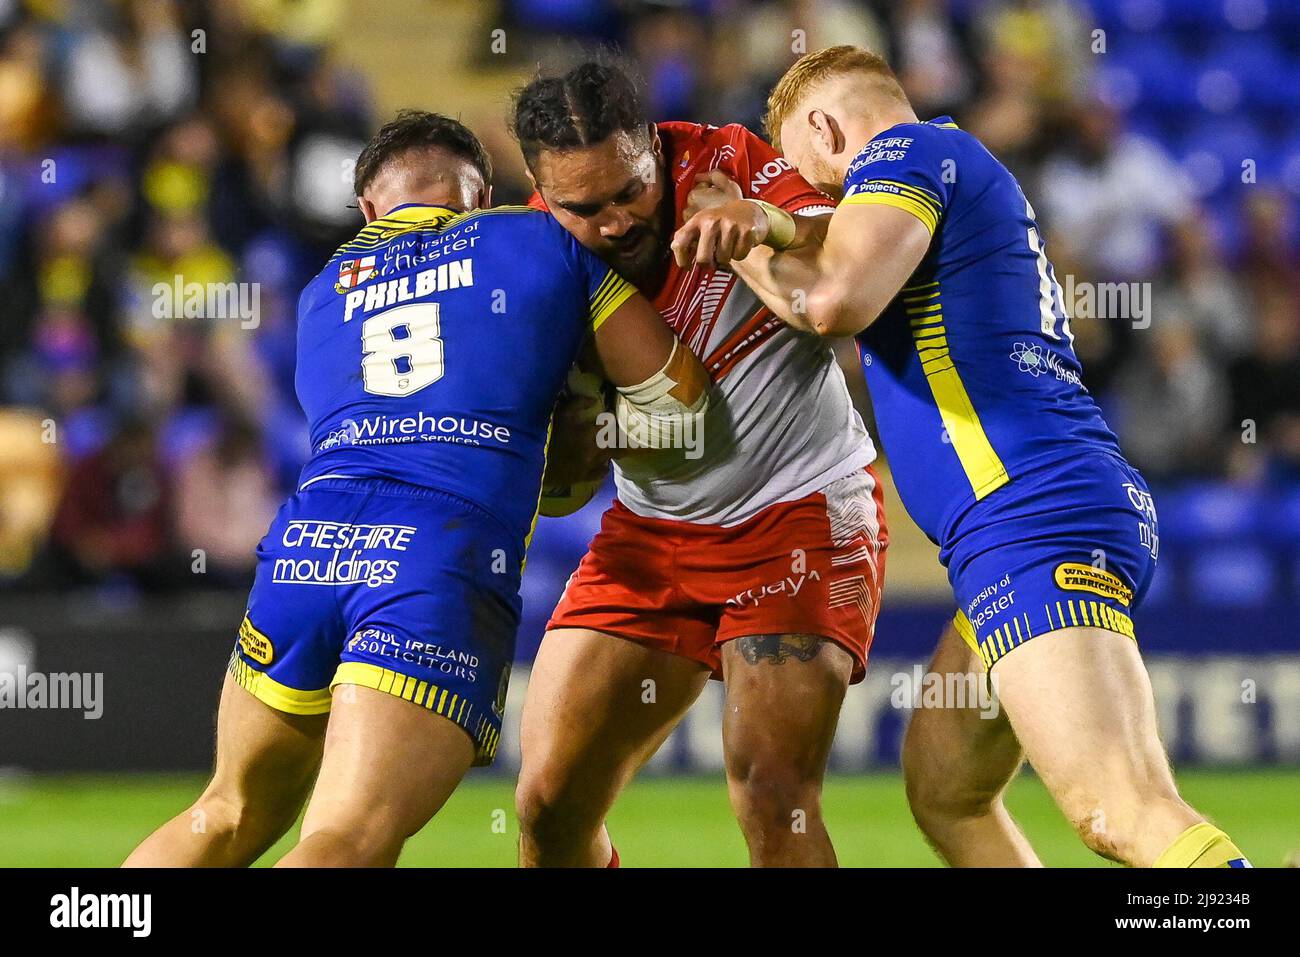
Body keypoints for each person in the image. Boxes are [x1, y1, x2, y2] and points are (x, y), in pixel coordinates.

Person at [674, 46, 1250, 868]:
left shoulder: (904, 153)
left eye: (812, 175)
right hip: (1028, 516)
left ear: (829, 128)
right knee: (946, 789)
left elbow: (834, 298)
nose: (817, 198)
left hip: (1033, 518)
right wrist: (765, 223)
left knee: (1118, 806)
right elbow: (835, 239)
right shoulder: (944, 166)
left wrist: (740, 242)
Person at [123, 110, 709, 868]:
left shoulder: (322, 292)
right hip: (434, 556)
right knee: (348, 837)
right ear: (482, 192)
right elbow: (683, 398)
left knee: (225, 811)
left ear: (368, 208)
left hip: (306, 545)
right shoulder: (538, 242)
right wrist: (585, 437)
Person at [510, 61, 888, 868]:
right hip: (651, 529)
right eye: (584, 207)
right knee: (547, 803)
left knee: (772, 792)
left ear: (654, 146)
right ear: (540, 188)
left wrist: (766, 222)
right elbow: (560, 459)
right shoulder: (531, 251)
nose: (614, 222)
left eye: (630, 191)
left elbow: (862, 247)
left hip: (799, 512)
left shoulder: (729, 163)